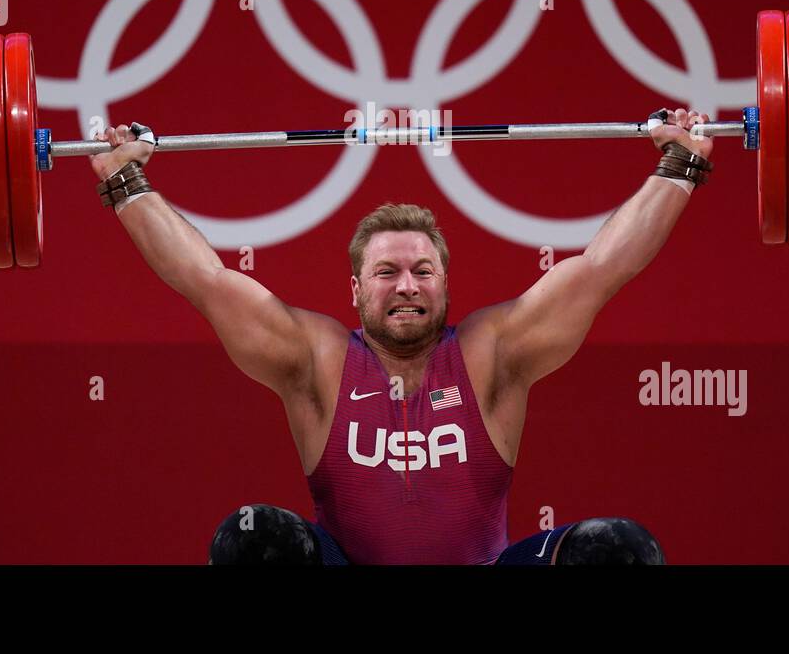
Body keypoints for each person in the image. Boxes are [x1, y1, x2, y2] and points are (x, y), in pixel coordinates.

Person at [89, 109, 714, 564]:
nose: (407, 285)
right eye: (385, 273)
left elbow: (602, 269)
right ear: (356, 291)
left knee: (618, 552)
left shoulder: (492, 353)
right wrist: (126, 182)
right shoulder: (317, 361)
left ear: (445, 284)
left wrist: (680, 162)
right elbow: (207, 279)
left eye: (423, 271)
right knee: (254, 536)